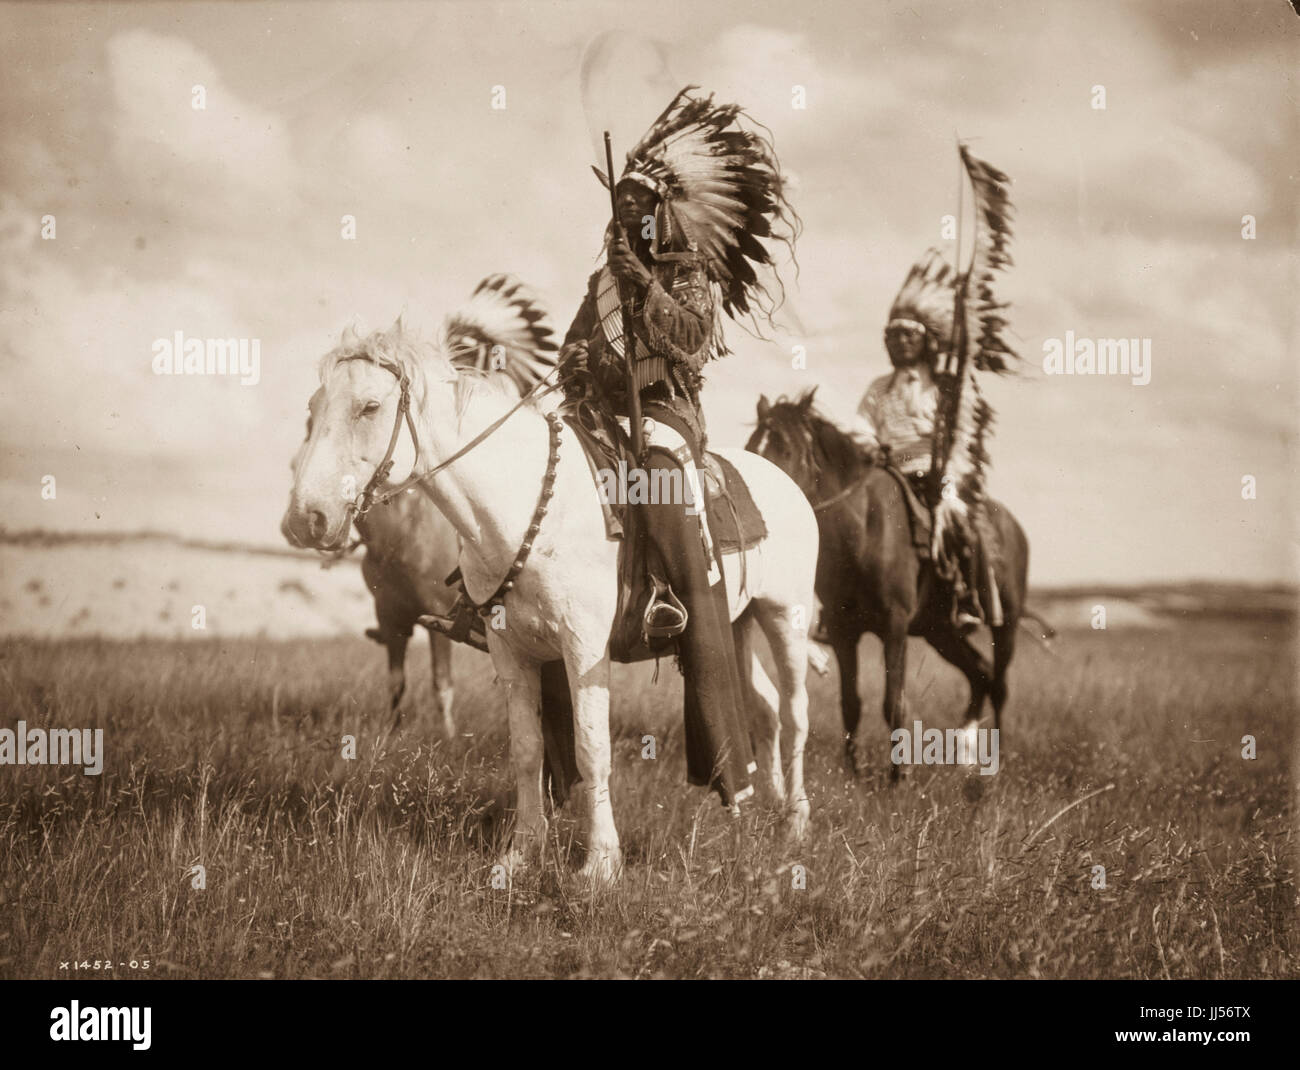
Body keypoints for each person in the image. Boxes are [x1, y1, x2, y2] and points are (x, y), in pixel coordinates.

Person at [557, 88, 798, 808]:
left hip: (665, 414)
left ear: (660, 210)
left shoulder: (685, 271)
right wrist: (574, 375)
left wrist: (648, 290)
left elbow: (692, 342)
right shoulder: (600, 280)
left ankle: (675, 600)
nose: (625, 212)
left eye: (638, 202)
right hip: (601, 416)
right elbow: (574, 346)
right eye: (618, 202)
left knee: (661, 489)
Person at [850, 250, 985, 633]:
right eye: (893, 335)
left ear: (924, 340)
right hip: (889, 471)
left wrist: (947, 467)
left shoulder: (944, 387)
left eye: (908, 334)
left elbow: (963, 435)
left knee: (953, 518)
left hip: (937, 472)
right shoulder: (879, 388)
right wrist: (870, 447)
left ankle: (964, 596)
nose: (900, 341)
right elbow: (860, 425)